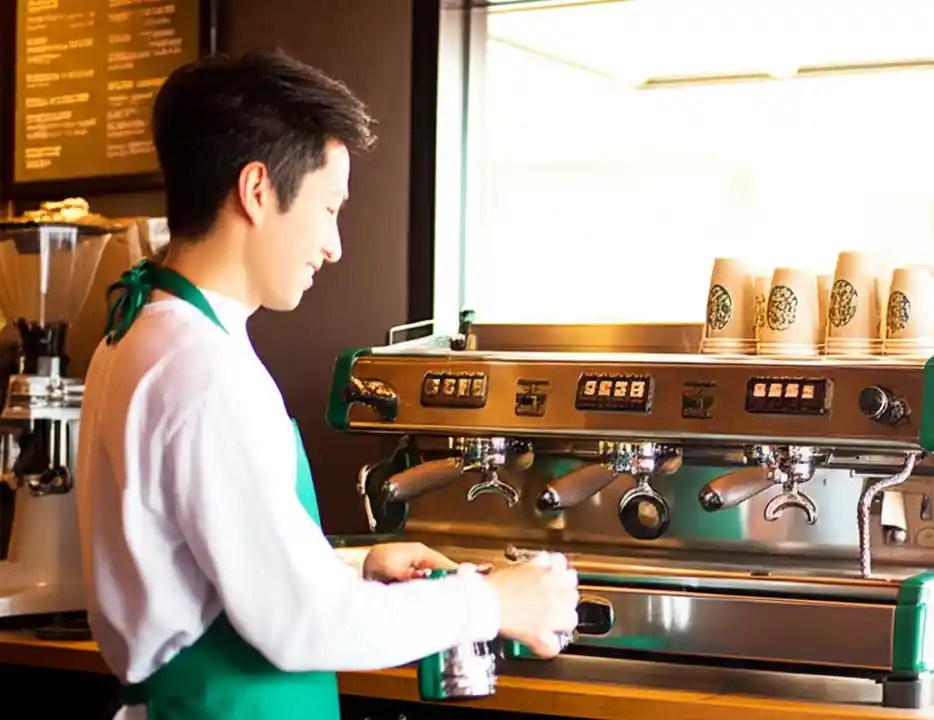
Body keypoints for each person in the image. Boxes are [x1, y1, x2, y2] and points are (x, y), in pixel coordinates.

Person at [75, 48, 580, 719]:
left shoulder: (140, 334)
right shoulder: (205, 373)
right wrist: (493, 604)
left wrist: (358, 565)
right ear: (257, 191)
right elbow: (300, 624)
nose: (335, 245)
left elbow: (201, 577)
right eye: (327, 207)